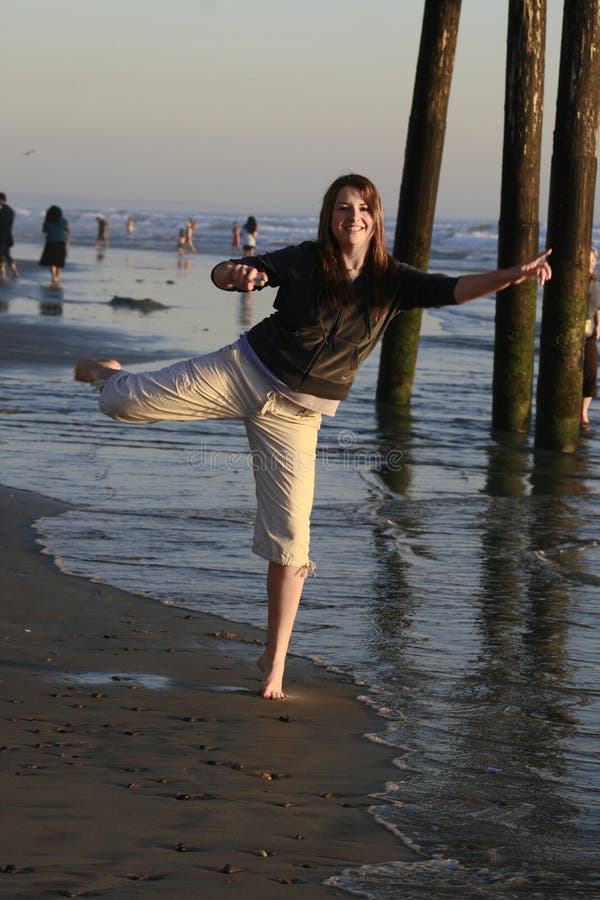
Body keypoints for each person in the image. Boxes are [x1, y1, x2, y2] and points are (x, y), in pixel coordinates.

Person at [74, 173, 552, 700]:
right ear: (330, 215)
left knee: (292, 544)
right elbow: (232, 272)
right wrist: (233, 274)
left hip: (296, 418)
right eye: (343, 208)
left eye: (363, 208)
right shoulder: (305, 259)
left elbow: (454, 289)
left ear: (376, 219)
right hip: (243, 371)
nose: (353, 217)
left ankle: (273, 662)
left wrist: (513, 274)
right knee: (122, 402)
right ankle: (104, 371)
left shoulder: (393, 280)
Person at [581, 247, 600, 426]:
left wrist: (599, 324)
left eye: (593, 260)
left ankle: (583, 412)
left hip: (590, 333)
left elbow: (598, 306)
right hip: (573, 332)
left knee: (591, 369)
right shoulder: (577, 280)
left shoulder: (597, 283)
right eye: (587, 259)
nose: (591, 262)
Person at [39, 205, 70, 288]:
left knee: (51, 261)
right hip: (61, 243)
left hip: (50, 242)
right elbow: (67, 230)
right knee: (59, 262)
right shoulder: (64, 221)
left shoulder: (47, 221)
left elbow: (44, 231)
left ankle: (53, 277)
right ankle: (57, 277)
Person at [0, 192, 19, 281]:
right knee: (7, 254)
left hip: (1, 235)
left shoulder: (2, 211)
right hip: (8, 235)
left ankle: (3, 274)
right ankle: (15, 272)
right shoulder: (11, 211)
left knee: (1, 255)